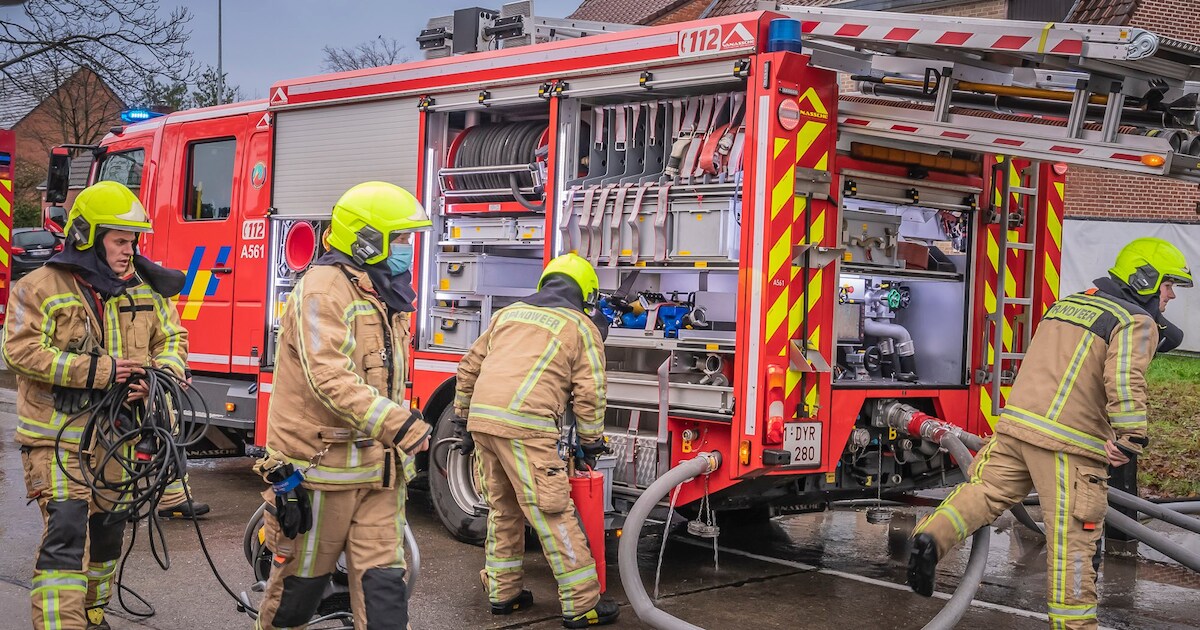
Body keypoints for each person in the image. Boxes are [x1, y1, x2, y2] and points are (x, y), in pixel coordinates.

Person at [907, 237, 1191, 629]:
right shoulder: (1133, 321)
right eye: (1168, 285)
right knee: (1074, 540)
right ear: (1145, 278)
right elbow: (1125, 379)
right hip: (1069, 445)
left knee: (984, 493)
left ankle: (930, 539)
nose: (1172, 295)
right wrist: (1132, 436)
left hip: (1017, 426)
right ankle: (1075, 626)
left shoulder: (1069, 303)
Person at [4, 181, 189, 630]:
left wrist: (157, 378)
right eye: (120, 240)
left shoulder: (144, 288)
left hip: (118, 437)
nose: (130, 250)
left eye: (134, 241)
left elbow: (173, 340)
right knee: (67, 534)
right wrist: (100, 372)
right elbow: (20, 352)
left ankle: (92, 613)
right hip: (57, 438)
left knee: (108, 534)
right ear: (88, 236)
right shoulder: (39, 286)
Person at [253, 181, 433, 630]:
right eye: (402, 239)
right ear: (367, 240)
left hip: (379, 475)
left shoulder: (383, 291)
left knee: (385, 595)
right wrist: (402, 426)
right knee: (297, 596)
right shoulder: (322, 290)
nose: (409, 249)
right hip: (320, 476)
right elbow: (329, 379)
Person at [454, 252, 620, 629]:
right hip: (527, 426)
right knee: (551, 510)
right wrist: (592, 441)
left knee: (504, 509)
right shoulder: (580, 326)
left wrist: (462, 424)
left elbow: (468, 368)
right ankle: (582, 604)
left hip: (483, 421)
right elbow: (590, 391)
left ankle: (503, 593)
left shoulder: (508, 314)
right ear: (586, 294)